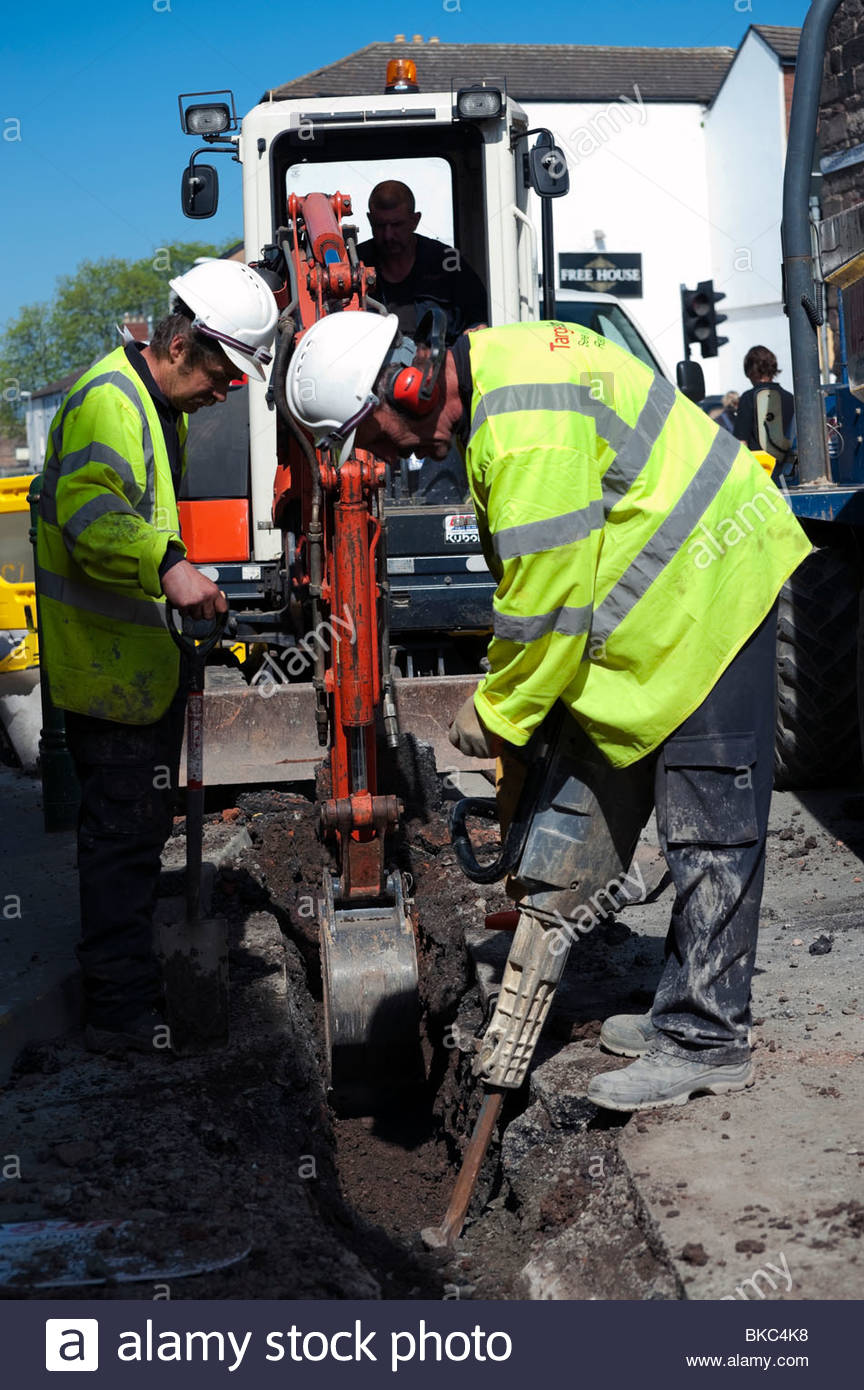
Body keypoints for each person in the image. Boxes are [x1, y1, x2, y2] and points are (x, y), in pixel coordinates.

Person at [284, 310, 811, 1112]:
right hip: (661, 610)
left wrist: (499, 709)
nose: (385, 460)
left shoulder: (521, 428)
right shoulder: (504, 377)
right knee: (601, 800)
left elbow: (549, 605)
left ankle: (708, 1034)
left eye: (377, 436)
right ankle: (681, 1009)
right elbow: (543, 586)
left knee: (708, 818)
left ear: (408, 384)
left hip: (714, 585)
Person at [36, 260, 278, 1053]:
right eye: (221, 372)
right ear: (180, 345)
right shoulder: (111, 402)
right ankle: (120, 1013)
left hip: (136, 666)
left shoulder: (154, 405)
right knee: (118, 842)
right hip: (107, 673)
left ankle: (130, 991)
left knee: (138, 832)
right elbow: (92, 516)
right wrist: (171, 566)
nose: (226, 391)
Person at [357, 180, 487, 343]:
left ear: (415, 220)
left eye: (397, 225)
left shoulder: (449, 263)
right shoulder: (350, 265)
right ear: (369, 220)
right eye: (380, 226)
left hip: (439, 365)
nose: (388, 235)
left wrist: (476, 332)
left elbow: (480, 320)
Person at [734, 346, 795, 454]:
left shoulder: (748, 398)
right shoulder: (790, 398)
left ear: (749, 371)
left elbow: (741, 442)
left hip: (761, 466)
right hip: (787, 465)